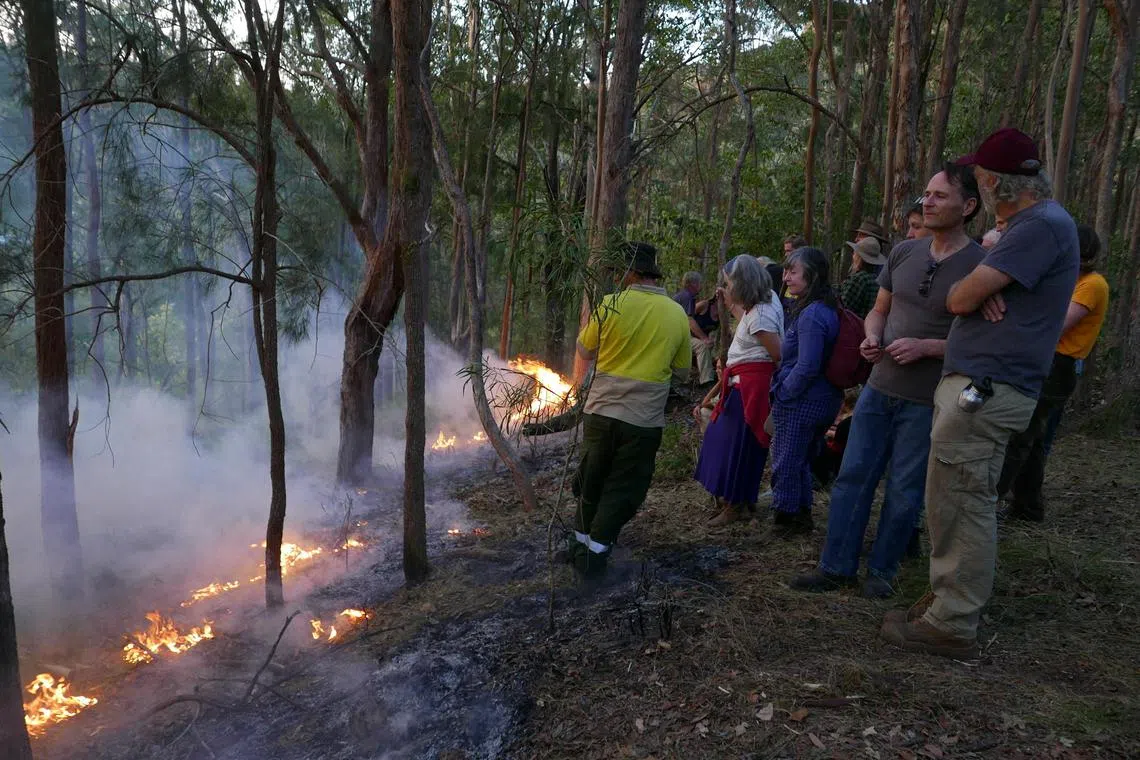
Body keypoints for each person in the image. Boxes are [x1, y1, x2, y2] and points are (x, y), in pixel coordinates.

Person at [881, 128, 1079, 658]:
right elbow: (971, 289)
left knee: (962, 503)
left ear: (992, 183)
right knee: (954, 499)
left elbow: (959, 295)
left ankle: (952, 621)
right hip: (983, 385)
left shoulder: (1039, 227)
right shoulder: (1027, 227)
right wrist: (986, 278)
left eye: (981, 178)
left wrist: (976, 290)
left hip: (987, 389)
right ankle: (947, 599)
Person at [792, 164, 985, 599]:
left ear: (968, 206)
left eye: (939, 195)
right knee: (852, 476)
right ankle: (835, 566)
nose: (927, 202)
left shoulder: (981, 267)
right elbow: (880, 308)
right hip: (878, 389)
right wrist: (872, 334)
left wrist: (927, 348)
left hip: (928, 398)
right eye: (927, 194)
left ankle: (882, 572)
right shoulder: (902, 253)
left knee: (904, 488)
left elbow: (981, 340)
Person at [570, 242, 691, 578]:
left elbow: (583, 350)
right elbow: (681, 372)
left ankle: (579, 545)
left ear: (632, 273)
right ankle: (596, 552)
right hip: (642, 420)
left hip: (600, 413)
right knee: (623, 485)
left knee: (592, 478)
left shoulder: (611, 304)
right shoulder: (676, 314)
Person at [997, 224, 1109, 521]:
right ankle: (1028, 507)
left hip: (1058, 365)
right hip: (1043, 359)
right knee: (1031, 440)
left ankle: (989, 502)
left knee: (1020, 435)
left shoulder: (1093, 284)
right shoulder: (1067, 279)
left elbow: (1058, 325)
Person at [694, 256, 784, 526]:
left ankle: (735, 504)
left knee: (737, 446)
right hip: (742, 385)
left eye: (729, 282)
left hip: (750, 391)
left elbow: (778, 356)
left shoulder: (762, 315)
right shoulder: (764, 303)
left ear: (743, 283)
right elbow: (747, 322)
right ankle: (739, 501)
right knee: (728, 442)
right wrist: (729, 304)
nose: (727, 286)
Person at [768, 247, 843, 538]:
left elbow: (808, 365)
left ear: (811, 275)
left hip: (804, 400)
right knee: (799, 459)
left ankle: (786, 519)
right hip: (821, 398)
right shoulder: (823, 307)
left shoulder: (812, 315)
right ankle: (800, 515)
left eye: (792, 271)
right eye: (785, 271)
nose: (785, 278)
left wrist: (785, 394)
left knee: (786, 458)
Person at [674, 272, 718, 386]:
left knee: (702, 345)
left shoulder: (685, 296)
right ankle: (707, 381)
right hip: (675, 335)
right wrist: (704, 338)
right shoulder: (687, 297)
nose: (701, 285)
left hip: (677, 333)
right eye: (699, 283)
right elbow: (689, 320)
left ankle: (699, 372)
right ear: (693, 284)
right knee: (701, 346)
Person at [838, 237, 886, 318]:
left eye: (854, 253)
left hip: (855, 327)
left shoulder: (860, 279)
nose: (853, 257)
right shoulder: (877, 279)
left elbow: (843, 307)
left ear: (859, 258)